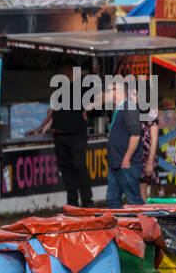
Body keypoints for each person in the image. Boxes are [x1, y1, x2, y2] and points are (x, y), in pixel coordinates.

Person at [29, 64, 93, 207]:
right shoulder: (59, 90)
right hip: (60, 134)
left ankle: (87, 202)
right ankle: (72, 202)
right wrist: (39, 129)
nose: (62, 74)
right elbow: (52, 113)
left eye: (64, 71)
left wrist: (86, 110)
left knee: (79, 167)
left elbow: (92, 103)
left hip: (76, 134)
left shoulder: (82, 87)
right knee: (66, 169)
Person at [104, 78, 144, 207]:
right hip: (116, 164)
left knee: (134, 201)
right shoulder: (119, 109)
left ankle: (146, 226)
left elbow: (135, 135)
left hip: (127, 165)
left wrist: (127, 157)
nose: (109, 93)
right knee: (112, 200)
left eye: (111, 90)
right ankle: (117, 226)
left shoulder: (129, 107)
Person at [138, 105, 161, 202]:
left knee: (141, 193)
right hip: (136, 158)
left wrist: (150, 162)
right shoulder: (133, 111)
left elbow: (154, 139)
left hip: (146, 158)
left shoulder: (151, 114)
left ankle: (145, 215)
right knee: (140, 194)